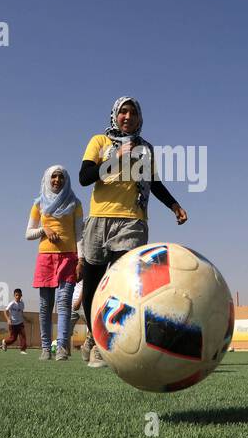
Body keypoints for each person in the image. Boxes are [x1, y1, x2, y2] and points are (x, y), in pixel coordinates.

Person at [77, 97, 187, 367]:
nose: (128, 116)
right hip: (99, 220)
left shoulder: (146, 149)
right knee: (92, 286)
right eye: (123, 111)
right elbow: (84, 177)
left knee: (120, 284)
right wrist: (116, 159)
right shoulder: (99, 142)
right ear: (115, 115)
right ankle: (93, 334)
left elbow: (153, 182)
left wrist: (174, 205)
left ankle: (104, 346)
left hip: (132, 222)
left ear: (140, 119)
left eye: (133, 112)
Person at [26, 165, 84, 361]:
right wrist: (44, 230)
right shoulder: (39, 204)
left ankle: (61, 348)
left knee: (64, 303)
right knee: (45, 306)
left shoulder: (75, 204)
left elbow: (79, 234)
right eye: (53, 177)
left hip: (69, 257)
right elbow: (28, 234)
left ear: (66, 180)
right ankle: (45, 348)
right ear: (47, 179)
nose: (57, 180)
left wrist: (81, 260)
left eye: (60, 177)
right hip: (45, 258)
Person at [2, 288, 28, 353]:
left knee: (23, 336)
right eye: (16, 295)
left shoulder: (22, 303)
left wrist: (26, 319)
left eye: (19, 295)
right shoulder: (12, 303)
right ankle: (5, 342)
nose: (18, 297)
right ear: (14, 295)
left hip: (20, 323)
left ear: (21, 295)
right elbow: (5, 311)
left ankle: (23, 350)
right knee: (13, 339)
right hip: (13, 324)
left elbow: (21, 312)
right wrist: (8, 319)